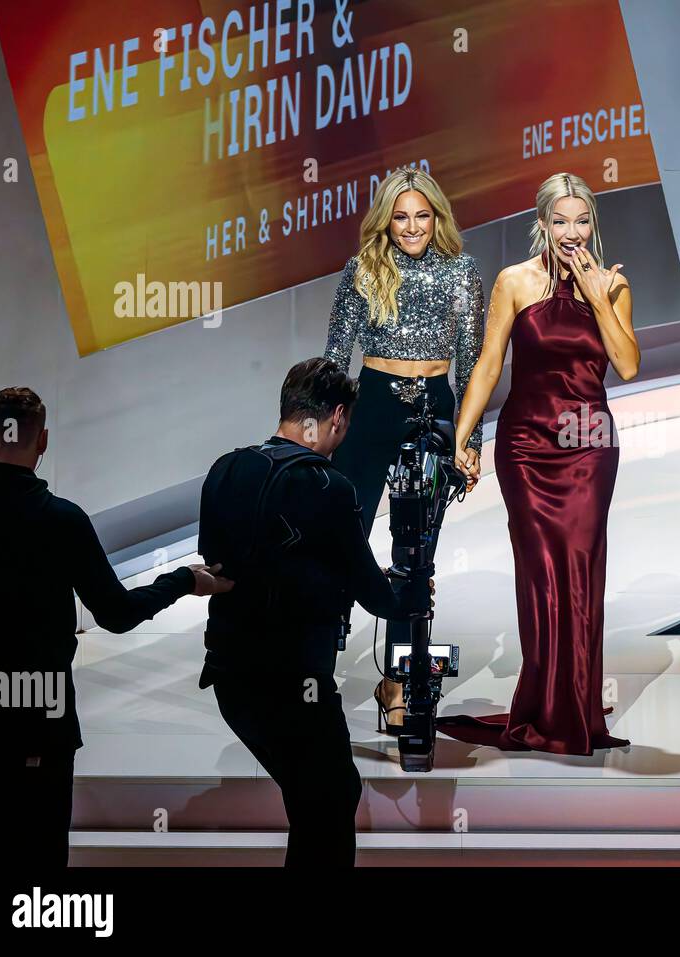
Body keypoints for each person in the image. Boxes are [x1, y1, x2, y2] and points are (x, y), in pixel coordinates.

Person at [0, 387, 230, 868]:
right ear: (42, 442)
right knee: (38, 862)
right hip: (38, 722)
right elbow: (116, 613)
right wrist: (183, 580)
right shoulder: (63, 521)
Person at [197, 357, 433, 867]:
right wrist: (411, 596)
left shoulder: (224, 470)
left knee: (316, 797)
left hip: (232, 679)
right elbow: (373, 592)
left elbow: (215, 563)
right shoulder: (331, 488)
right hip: (296, 683)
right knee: (330, 797)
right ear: (339, 417)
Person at [437, 172, 639, 755]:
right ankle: (546, 705)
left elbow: (626, 365)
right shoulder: (514, 282)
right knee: (540, 574)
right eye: (560, 221)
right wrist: (462, 433)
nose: (571, 233)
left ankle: (572, 707)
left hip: (589, 442)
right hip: (527, 446)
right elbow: (488, 365)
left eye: (582, 221)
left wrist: (598, 297)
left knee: (580, 570)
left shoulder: (615, 286)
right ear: (542, 223)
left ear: (592, 225)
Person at [324, 165, 485, 539]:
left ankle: (412, 596)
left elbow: (471, 364)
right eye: (400, 217)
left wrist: (471, 439)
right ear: (386, 221)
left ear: (436, 218)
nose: (412, 227)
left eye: (422, 216)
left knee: (419, 543)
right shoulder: (362, 270)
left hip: (434, 409)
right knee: (346, 532)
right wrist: (323, 425)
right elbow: (335, 357)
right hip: (371, 406)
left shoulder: (461, 272)